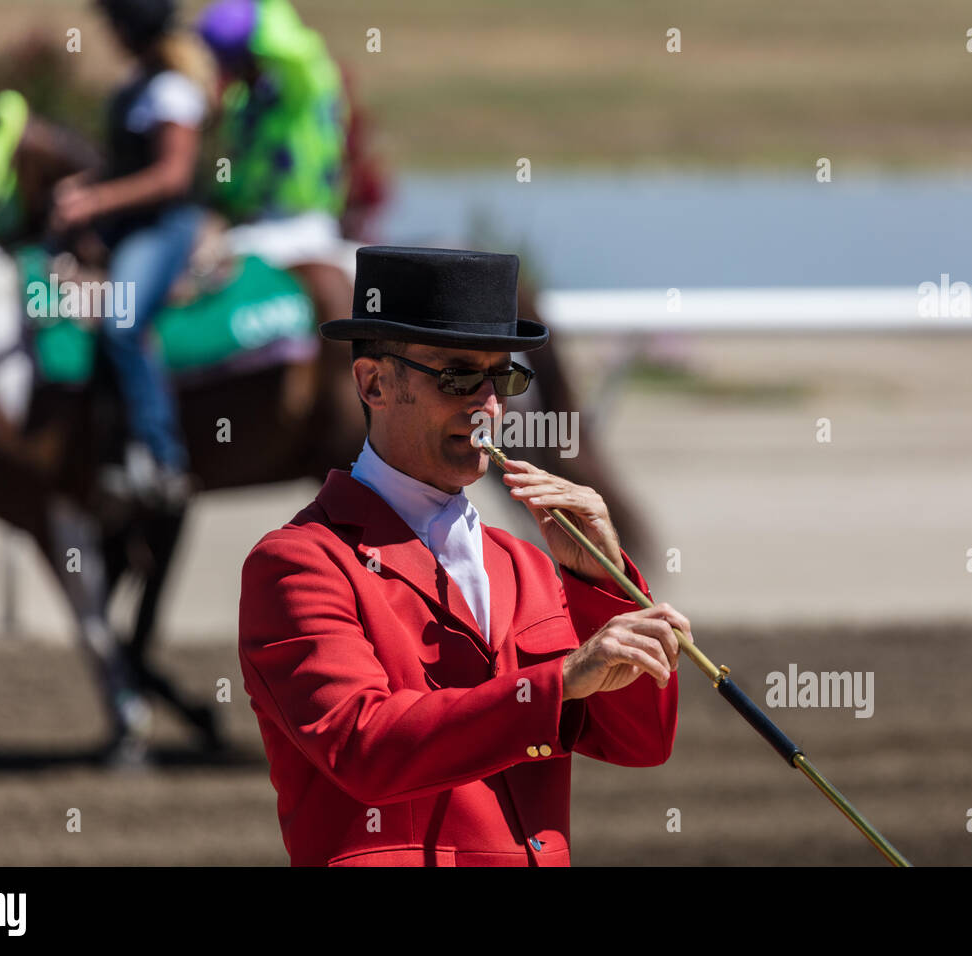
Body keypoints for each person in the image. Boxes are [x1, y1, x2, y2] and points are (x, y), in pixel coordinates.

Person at [238, 246, 685, 866]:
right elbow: (364, 747)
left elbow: (640, 742)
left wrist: (603, 582)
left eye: (501, 377)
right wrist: (560, 682)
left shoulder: (530, 567)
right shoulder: (298, 565)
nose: (486, 404)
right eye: (456, 375)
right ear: (373, 382)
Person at [49, 0, 211, 507]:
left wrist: (96, 200)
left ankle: (163, 456)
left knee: (121, 320)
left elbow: (171, 176)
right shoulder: (138, 83)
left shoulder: (171, 90)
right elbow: (124, 166)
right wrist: (84, 186)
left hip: (166, 226)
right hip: (128, 222)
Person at [195, 0, 353, 320]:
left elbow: (297, 51)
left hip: (306, 224)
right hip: (255, 222)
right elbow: (237, 177)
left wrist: (261, 10)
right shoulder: (242, 103)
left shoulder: (302, 87)